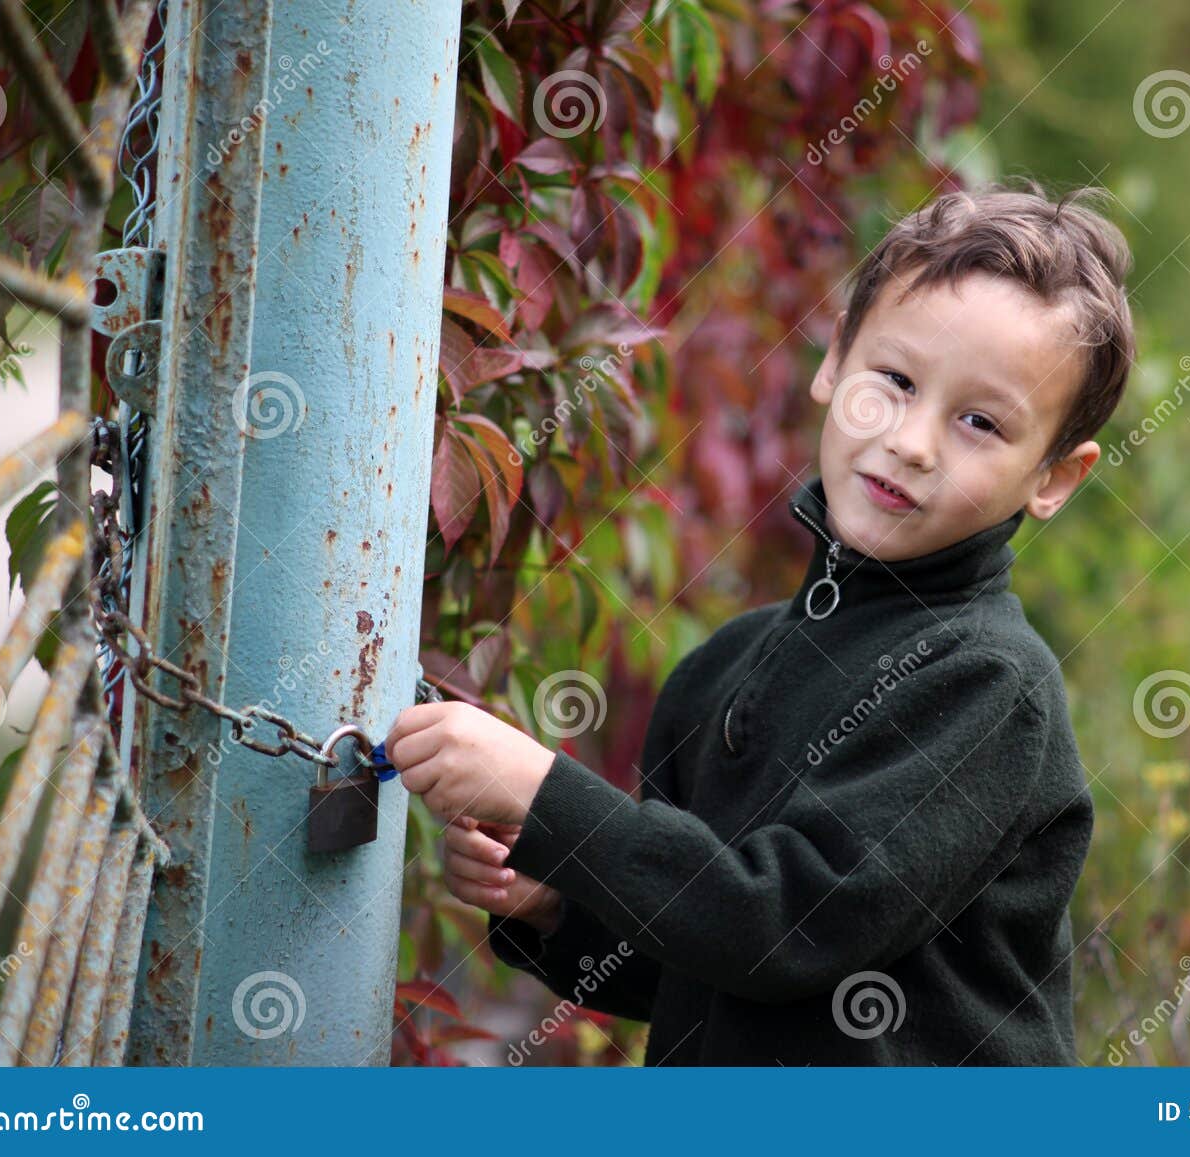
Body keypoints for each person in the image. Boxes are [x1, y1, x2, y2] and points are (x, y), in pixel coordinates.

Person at [386, 179, 1135, 1065]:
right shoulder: (725, 668)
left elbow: (787, 927)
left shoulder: (988, 685)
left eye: (979, 421)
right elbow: (698, 960)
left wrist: (549, 795)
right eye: (893, 381)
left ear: (1054, 476)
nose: (913, 442)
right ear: (833, 362)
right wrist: (558, 905)